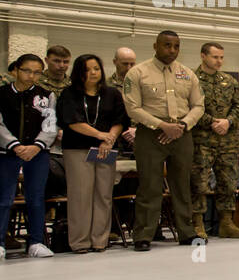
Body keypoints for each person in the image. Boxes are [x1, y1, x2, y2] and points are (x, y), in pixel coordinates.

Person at [120, 30, 206, 250]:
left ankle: (186, 232)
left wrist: (183, 125)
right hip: (151, 133)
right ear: (155, 45)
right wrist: (162, 126)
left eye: (176, 46)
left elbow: (198, 105)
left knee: (182, 185)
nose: (172, 50)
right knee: (150, 186)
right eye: (167, 45)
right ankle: (143, 235)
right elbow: (133, 107)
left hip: (182, 132)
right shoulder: (137, 73)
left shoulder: (188, 74)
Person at [57, 54, 129, 253]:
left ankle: (100, 240)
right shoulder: (69, 94)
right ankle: (80, 241)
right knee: (81, 194)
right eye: (88, 69)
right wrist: (100, 135)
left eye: (96, 68)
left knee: (103, 194)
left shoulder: (112, 94)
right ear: (79, 72)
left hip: (106, 149)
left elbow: (120, 120)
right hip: (78, 148)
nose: (93, 73)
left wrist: (110, 139)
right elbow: (71, 121)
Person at [0, 54, 57, 260]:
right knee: (4, 198)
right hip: (7, 152)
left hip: (37, 153)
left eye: (36, 72)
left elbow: (50, 126)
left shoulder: (46, 95)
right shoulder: (3, 93)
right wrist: (14, 145)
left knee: (36, 198)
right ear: (16, 70)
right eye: (27, 71)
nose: (31, 76)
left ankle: (36, 241)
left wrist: (37, 146)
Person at [190, 43, 239, 239]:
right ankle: (197, 224)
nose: (219, 61)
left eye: (221, 57)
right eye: (215, 57)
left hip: (228, 140)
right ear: (203, 56)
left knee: (228, 182)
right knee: (199, 183)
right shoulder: (192, 79)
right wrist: (212, 122)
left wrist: (228, 121)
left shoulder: (229, 80)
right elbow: (189, 108)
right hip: (202, 140)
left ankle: (226, 223)